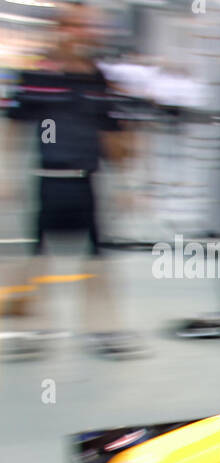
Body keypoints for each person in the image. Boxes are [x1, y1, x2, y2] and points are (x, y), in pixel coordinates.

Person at [3, 2, 137, 359]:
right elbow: (15, 125)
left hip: (87, 181)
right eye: (75, 26)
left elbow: (112, 132)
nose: (83, 33)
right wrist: (6, 175)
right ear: (59, 29)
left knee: (95, 260)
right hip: (48, 180)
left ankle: (103, 331)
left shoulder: (96, 79)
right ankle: (31, 331)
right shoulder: (38, 74)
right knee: (37, 258)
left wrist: (126, 183)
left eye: (86, 26)